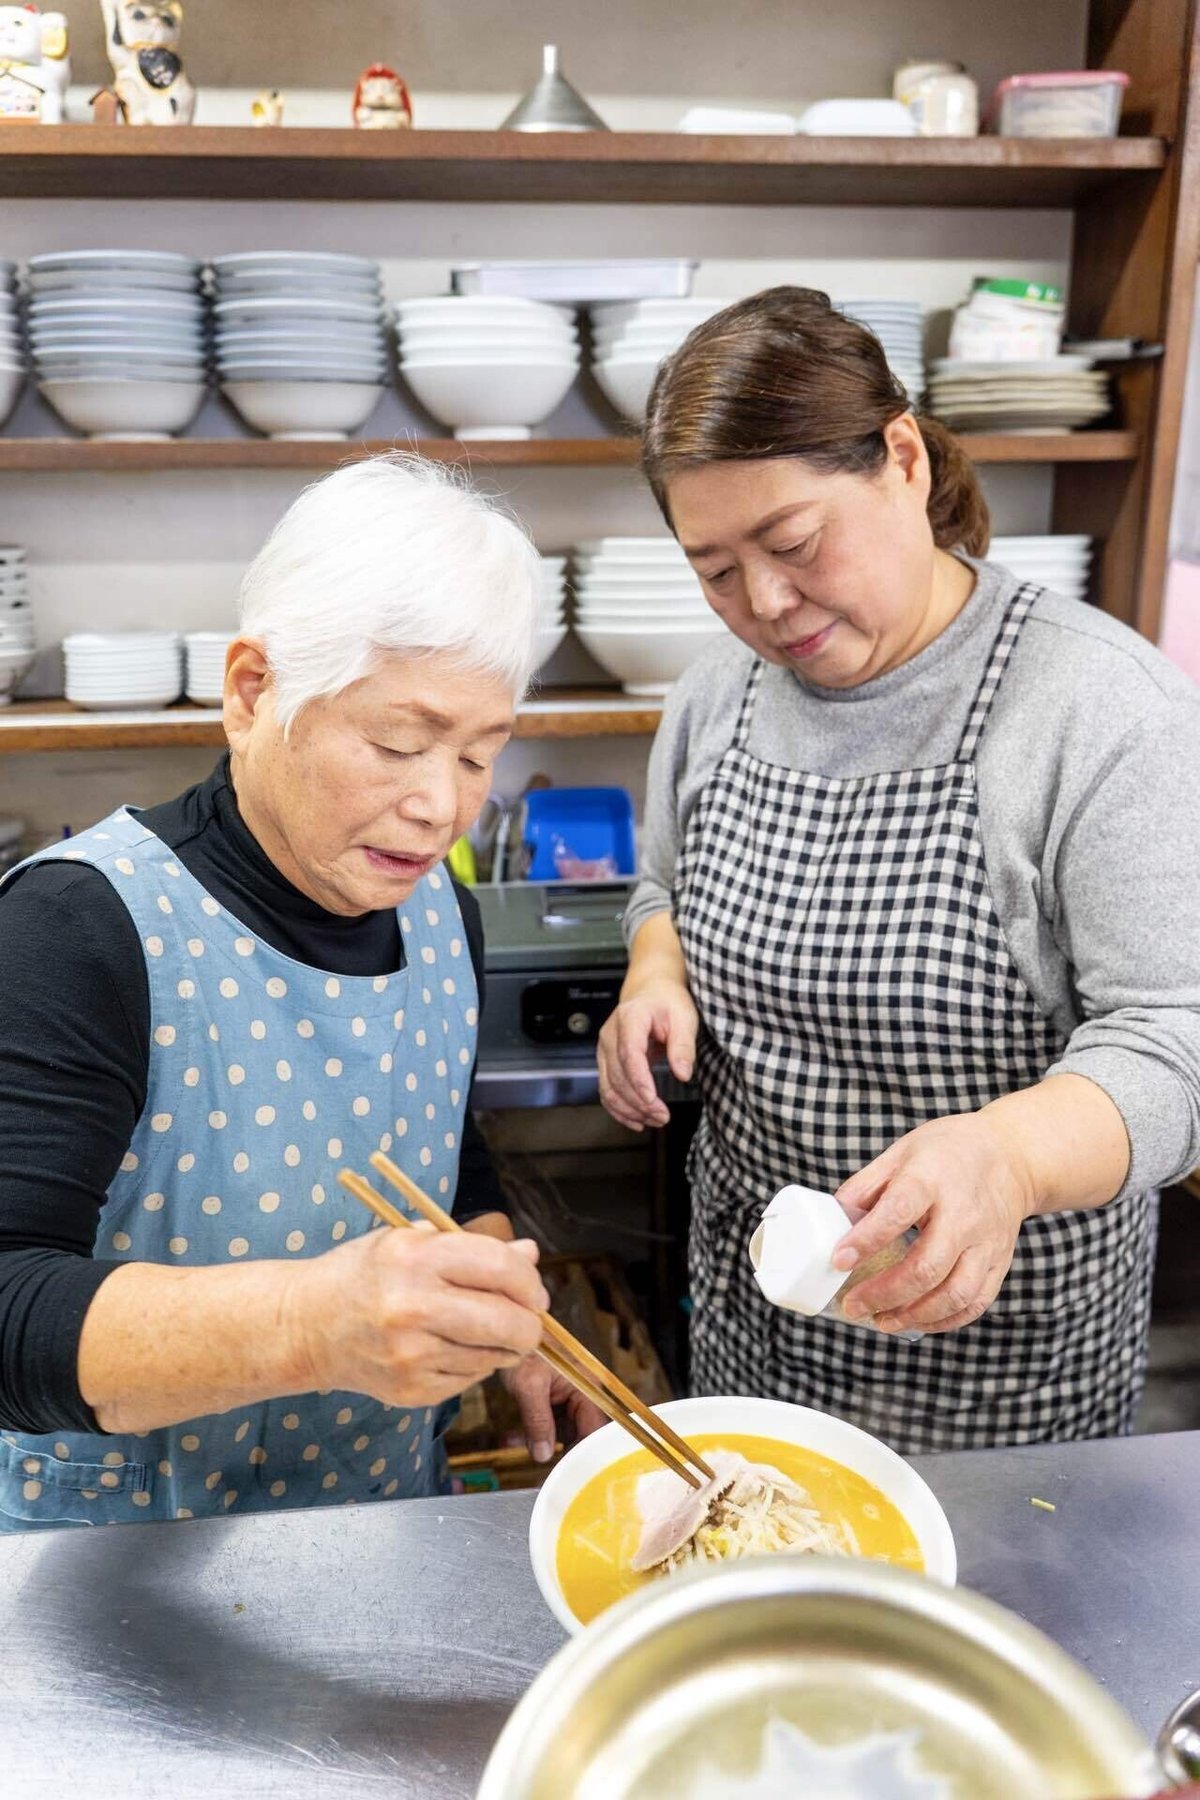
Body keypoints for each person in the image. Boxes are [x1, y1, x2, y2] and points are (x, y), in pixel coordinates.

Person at [598, 286, 1200, 1454]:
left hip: (999, 1384)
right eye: (715, 571)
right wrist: (654, 970)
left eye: (794, 544)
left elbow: (1177, 1041)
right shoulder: (714, 697)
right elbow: (662, 884)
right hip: (759, 1340)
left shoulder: (1099, 709)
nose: (765, 604)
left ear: (905, 460)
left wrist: (1007, 1157)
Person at [0, 452, 601, 1528]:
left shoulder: (440, 914)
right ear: (252, 693)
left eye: (479, 756)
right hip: (114, 1565)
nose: (440, 806)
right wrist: (311, 1325)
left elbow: (443, 1153)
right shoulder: (80, 928)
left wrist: (503, 1318)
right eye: (398, 743)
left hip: (383, 1525)